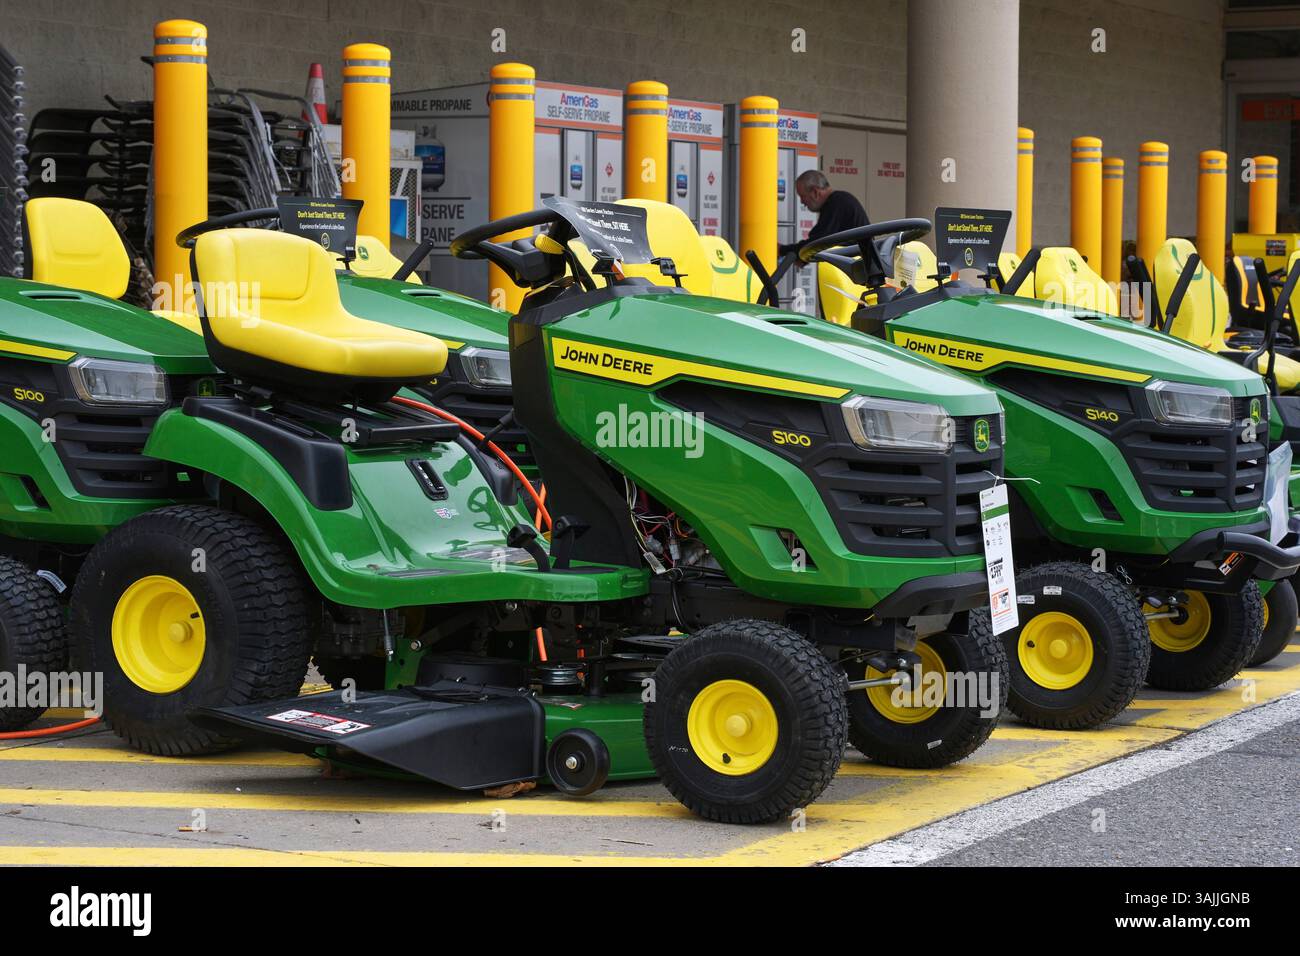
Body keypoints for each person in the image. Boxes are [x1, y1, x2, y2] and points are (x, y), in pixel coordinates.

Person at [779, 170, 870, 259]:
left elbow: (818, 243)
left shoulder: (836, 202)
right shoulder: (838, 201)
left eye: (803, 196)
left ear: (815, 192)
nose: (802, 202)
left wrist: (782, 250)